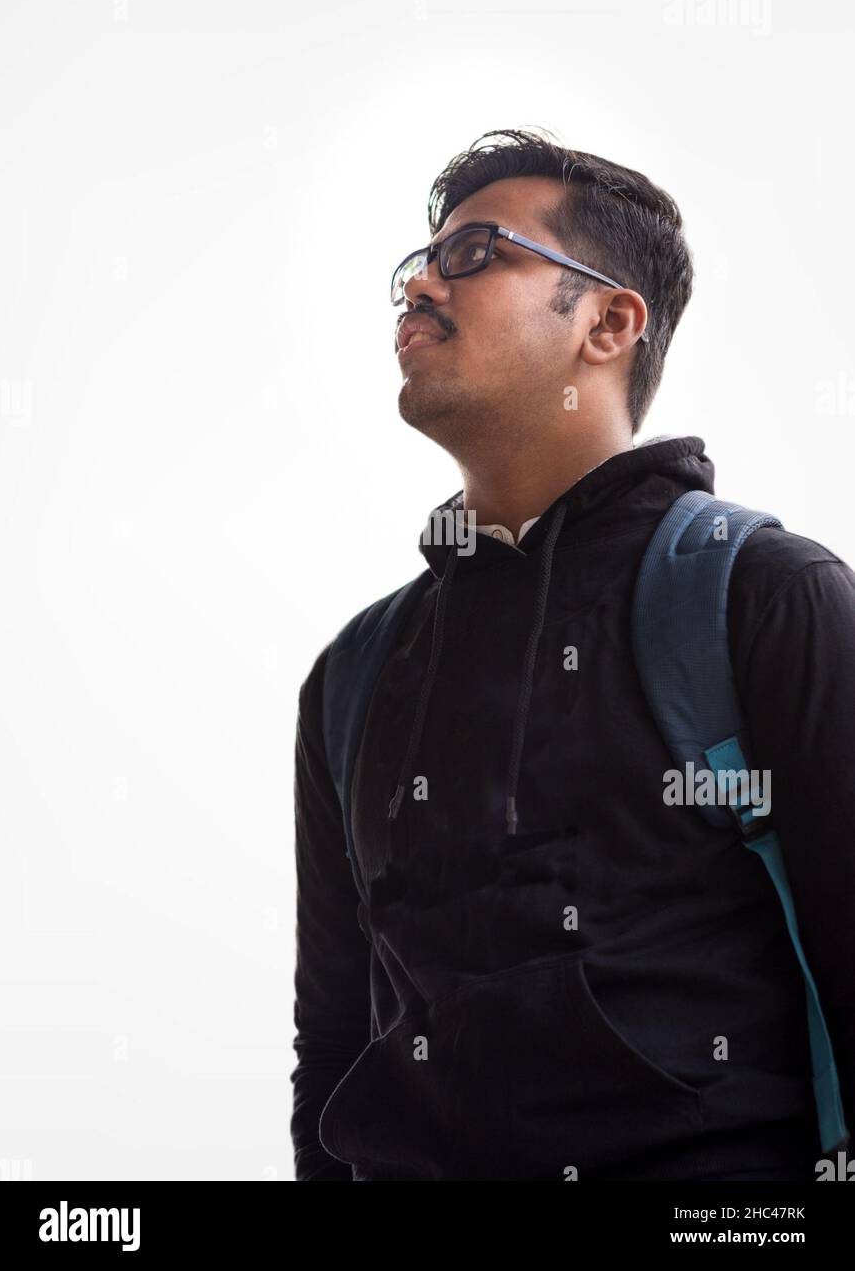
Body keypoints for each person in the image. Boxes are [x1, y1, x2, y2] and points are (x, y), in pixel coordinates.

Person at [290, 127, 855, 1181]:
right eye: (416, 265)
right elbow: (330, 1044)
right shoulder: (354, 675)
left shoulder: (762, 594)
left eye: (472, 253)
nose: (419, 288)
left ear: (606, 320)